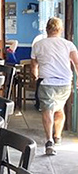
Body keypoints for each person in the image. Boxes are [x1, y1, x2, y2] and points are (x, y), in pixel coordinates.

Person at [30, 17, 78, 155]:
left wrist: (35, 76)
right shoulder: (68, 44)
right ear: (60, 29)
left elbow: (34, 65)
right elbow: (76, 63)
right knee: (59, 109)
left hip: (47, 82)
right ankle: (57, 136)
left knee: (48, 111)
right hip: (64, 83)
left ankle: (49, 140)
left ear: (47, 29)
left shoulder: (38, 45)